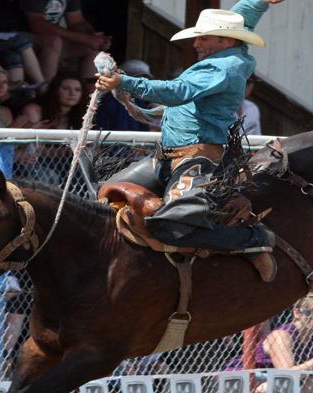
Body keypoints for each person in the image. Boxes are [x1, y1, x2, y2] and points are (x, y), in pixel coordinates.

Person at [94, 0, 286, 253]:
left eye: (204, 38)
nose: (196, 44)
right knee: (103, 198)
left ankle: (253, 240)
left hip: (199, 159)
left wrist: (124, 81)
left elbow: (179, 91)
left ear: (225, 40)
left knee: (172, 225)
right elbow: (242, 17)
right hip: (171, 157)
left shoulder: (223, 67)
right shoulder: (230, 55)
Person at [24, 0, 111, 83]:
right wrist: (86, 38)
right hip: (22, 40)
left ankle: (88, 95)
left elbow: (77, 21)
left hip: (53, 41)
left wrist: (94, 38)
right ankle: (47, 94)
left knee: (91, 47)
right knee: (54, 42)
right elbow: (37, 24)